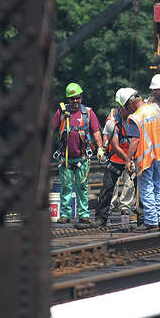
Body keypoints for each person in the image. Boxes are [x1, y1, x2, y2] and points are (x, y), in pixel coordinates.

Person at [50, 82, 104, 227]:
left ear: (81, 97)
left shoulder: (88, 113)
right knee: (66, 187)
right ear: (68, 99)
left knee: (82, 187)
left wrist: (100, 148)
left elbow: (96, 132)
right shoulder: (61, 113)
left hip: (82, 157)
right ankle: (65, 215)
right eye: (72, 98)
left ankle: (84, 215)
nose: (75, 101)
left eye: (77, 98)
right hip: (65, 158)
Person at [121, 89, 160, 231]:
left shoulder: (136, 117)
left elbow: (135, 141)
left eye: (126, 107)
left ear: (130, 103)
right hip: (159, 154)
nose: (127, 110)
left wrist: (128, 160)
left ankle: (152, 222)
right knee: (158, 187)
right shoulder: (155, 109)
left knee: (147, 189)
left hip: (146, 158)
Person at [95, 89, 138, 228]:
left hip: (133, 158)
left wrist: (132, 161)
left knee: (136, 186)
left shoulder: (136, 117)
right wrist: (127, 160)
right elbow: (114, 146)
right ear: (120, 108)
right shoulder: (112, 121)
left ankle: (140, 217)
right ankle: (101, 218)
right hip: (118, 158)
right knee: (107, 188)